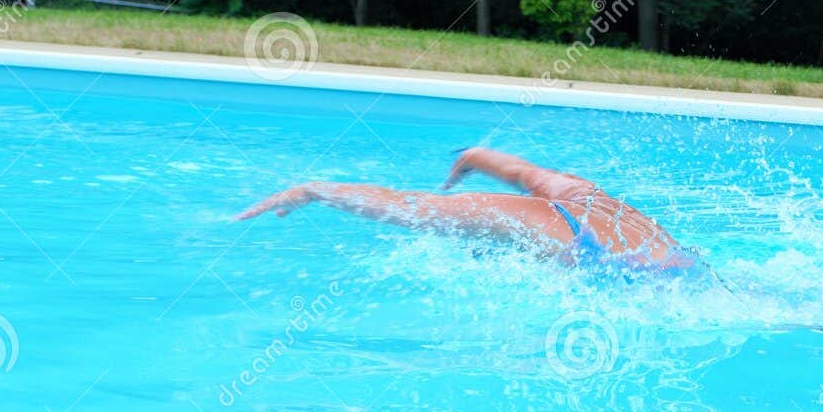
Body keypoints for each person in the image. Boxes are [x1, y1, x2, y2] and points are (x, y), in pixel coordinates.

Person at [238, 146, 823, 362]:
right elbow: (512, 163)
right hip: (705, 273)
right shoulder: (575, 196)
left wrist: (316, 189)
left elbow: (403, 209)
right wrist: (473, 148)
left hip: (682, 302)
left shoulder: (503, 221)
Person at [236, 145, 711, 279]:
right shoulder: (586, 194)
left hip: (631, 279)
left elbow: (412, 208)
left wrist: (315, 190)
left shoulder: (520, 215)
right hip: (689, 268)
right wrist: (472, 158)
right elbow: (521, 169)